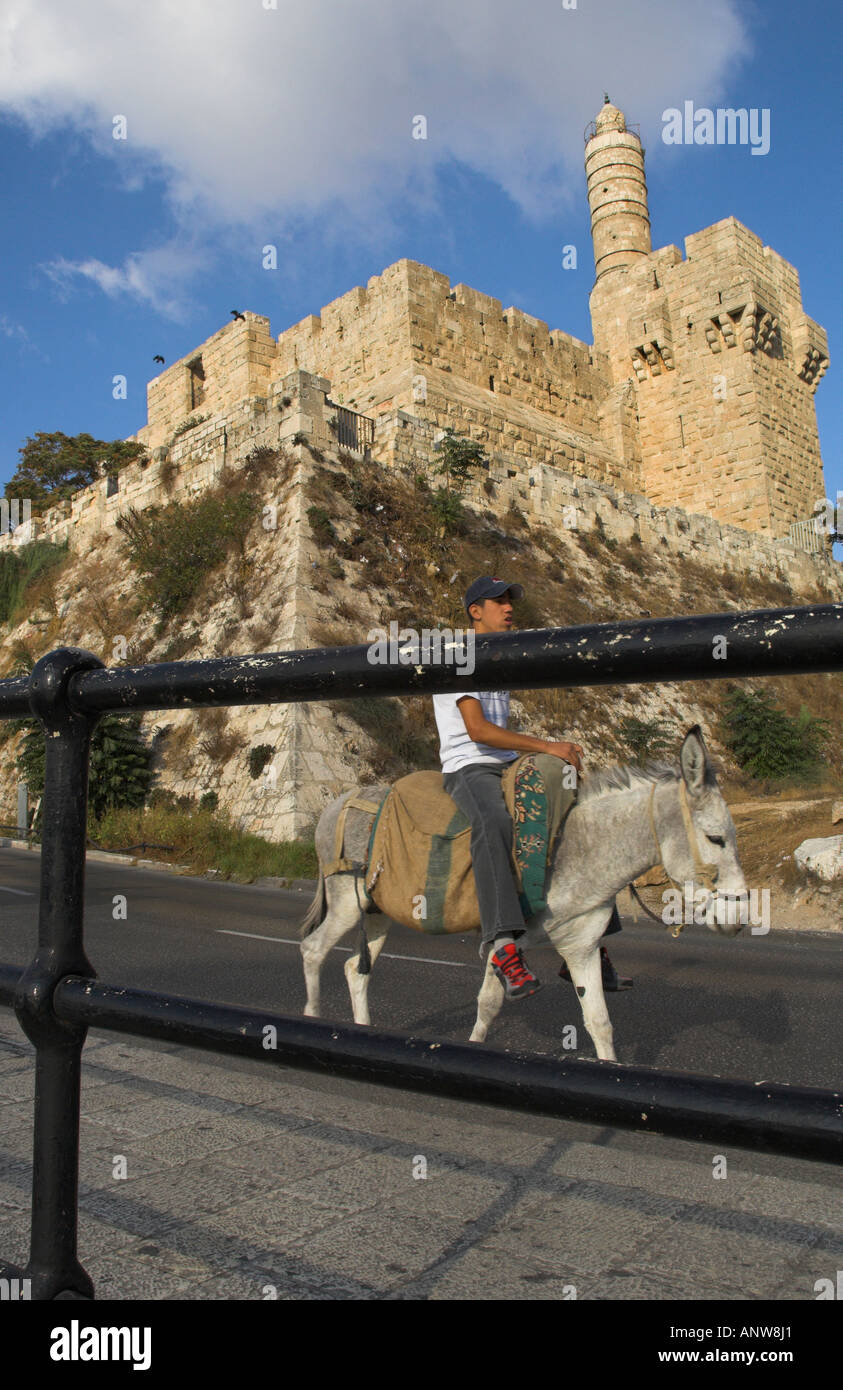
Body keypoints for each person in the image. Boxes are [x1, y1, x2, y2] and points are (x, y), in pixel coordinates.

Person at [432, 576, 631, 1000]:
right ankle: (503, 945)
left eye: (510, 601)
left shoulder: (497, 657)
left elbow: (501, 732)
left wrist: (553, 755)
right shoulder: (458, 655)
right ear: (475, 611)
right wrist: (546, 745)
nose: (509, 608)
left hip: (504, 762)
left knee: (573, 813)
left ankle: (593, 941)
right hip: (469, 766)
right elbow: (479, 730)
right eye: (499, 601)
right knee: (494, 823)